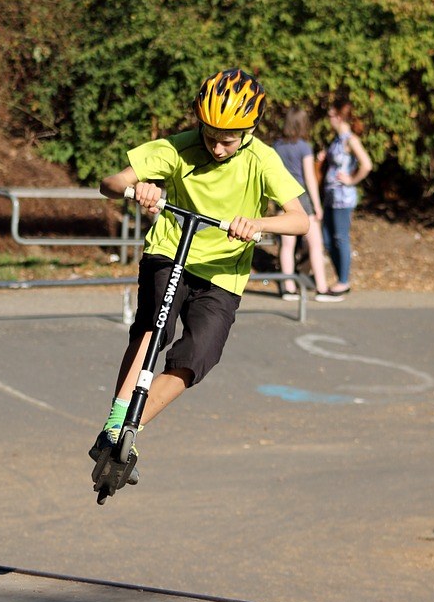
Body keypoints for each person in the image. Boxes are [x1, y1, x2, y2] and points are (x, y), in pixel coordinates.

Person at [93, 68, 309, 483]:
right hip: (170, 251)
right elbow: (111, 182)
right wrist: (139, 188)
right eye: (210, 136)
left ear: (248, 131)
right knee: (154, 327)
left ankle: (128, 431)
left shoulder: (263, 159)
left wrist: (257, 223)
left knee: (198, 355)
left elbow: (300, 221)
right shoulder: (178, 147)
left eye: (228, 140)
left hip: (224, 272)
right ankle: (115, 424)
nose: (217, 147)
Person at [272, 108, 342, 302]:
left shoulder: (276, 146)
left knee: (287, 246)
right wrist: (317, 205)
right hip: (302, 199)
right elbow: (310, 178)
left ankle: (288, 288)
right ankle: (321, 288)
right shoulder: (304, 147)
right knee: (315, 245)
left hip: (282, 198)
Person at [316, 97, 373, 297]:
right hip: (330, 196)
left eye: (331, 115)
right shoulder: (337, 140)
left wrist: (351, 179)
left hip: (343, 197)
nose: (329, 119)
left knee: (340, 237)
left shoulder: (351, 140)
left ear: (339, 117)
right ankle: (339, 277)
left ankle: (343, 281)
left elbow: (366, 164)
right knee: (326, 239)